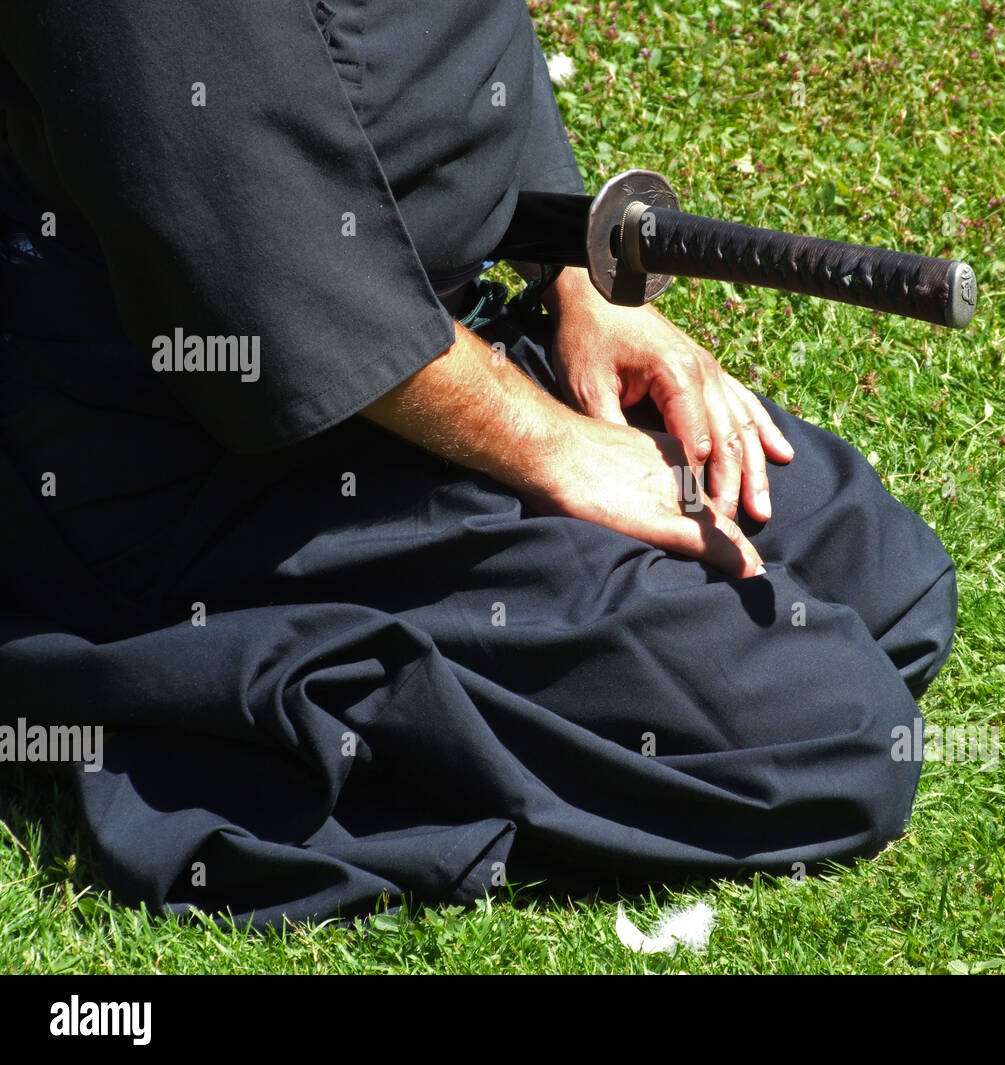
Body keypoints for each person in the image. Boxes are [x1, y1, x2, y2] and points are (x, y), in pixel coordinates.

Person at [0, 1, 957, 928]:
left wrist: (578, 271)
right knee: (837, 736)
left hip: (427, 345)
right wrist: (552, 447)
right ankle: (228, 696)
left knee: (881, 577)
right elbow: (258, 289)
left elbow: (449, 42)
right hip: (205, 454)